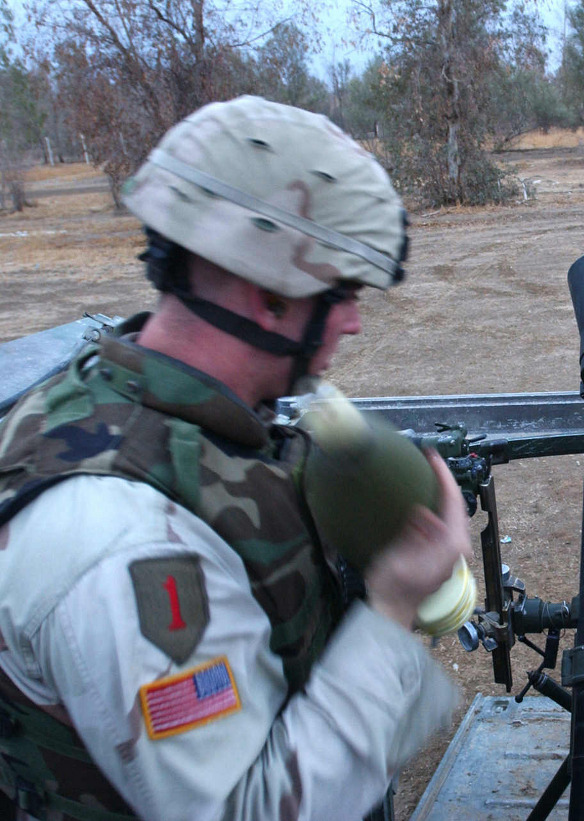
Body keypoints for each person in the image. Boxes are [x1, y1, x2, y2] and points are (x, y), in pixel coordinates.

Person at [0, 96, 471, 820]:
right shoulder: (124, 546)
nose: (353, 321)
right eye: (342, 293)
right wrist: (395, 605)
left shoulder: (146, 399)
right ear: (268, 296)